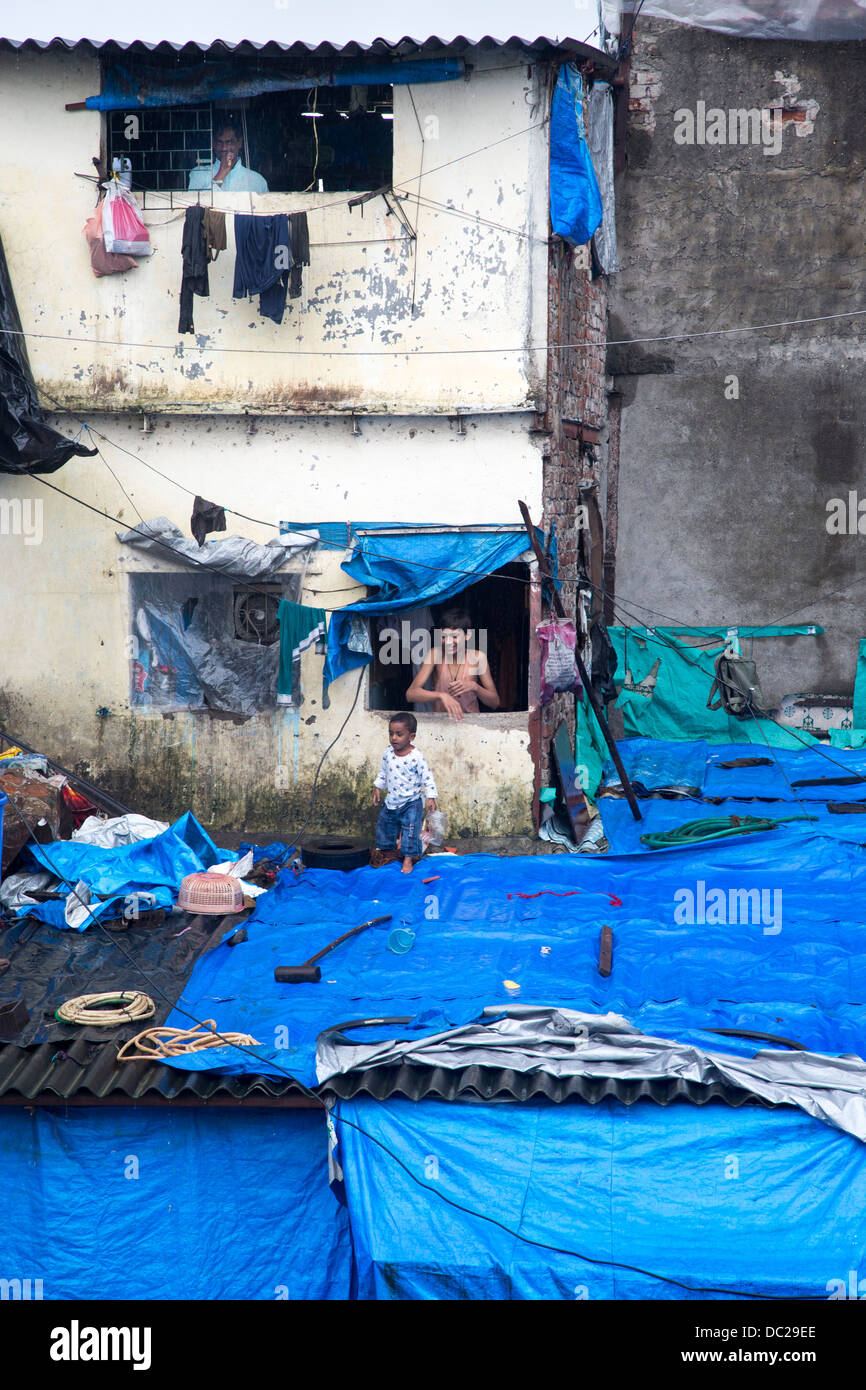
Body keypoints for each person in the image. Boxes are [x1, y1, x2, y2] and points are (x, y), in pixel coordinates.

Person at [406, 607, 501, 722]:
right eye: (444, 637)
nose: (448, 642)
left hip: (471, 723)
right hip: (442, 724)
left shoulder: (478, 658)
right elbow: (411, 694)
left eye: (455, 636)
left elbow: (495, 703)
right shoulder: (435, 654)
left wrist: (475, 687)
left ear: (467, 635)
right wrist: (441, 695)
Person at [372, 712, 438, 874]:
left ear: (411, 736)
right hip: (391, 801)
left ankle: (408, 859)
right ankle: (388, 853)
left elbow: (427, 777)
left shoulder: (416, 757)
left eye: (399, 734)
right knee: (385, 826)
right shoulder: (388, 753)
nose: (394, 738)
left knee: (410, 830)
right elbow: (383, 772)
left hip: (411, 803)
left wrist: (431, 797)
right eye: (391, 733)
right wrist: (377, 788)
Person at [189, 122, 268, 193]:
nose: (224, 148)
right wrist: (222, 173)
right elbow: (197, 206)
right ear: (213, 144)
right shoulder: (199, 173)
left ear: (240, 143)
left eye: (229, 142)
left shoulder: (257, 180)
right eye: (220, 142)